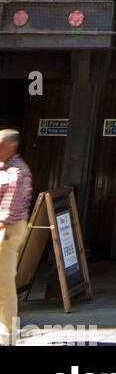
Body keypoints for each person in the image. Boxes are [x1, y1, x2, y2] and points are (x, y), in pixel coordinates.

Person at [0, 129, 33, 347]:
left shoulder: (17, 172)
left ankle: (7, 333)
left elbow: (8, 210)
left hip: (7, 230)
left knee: (3, 282)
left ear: (11, 146)